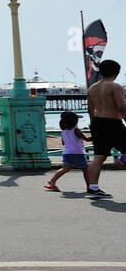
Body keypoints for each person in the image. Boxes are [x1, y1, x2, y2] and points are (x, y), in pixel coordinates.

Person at [86, 59, 126, 198]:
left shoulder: (92, 88)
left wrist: (92, 125)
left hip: (97, 122)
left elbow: (90, 110)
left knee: (99, 156)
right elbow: (121, 107)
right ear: (117, 72)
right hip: (113, 123)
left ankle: (93, 188)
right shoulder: (115, 87)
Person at [46, 111, 91, 193]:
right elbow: (87, 139)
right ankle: (89, 187)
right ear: (74, 121)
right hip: (77, 153)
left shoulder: (63, 131)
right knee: (85, 169)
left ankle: (52, 181)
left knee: (65, 169)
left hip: (66, 152)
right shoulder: (76, 130)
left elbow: (63, 143)